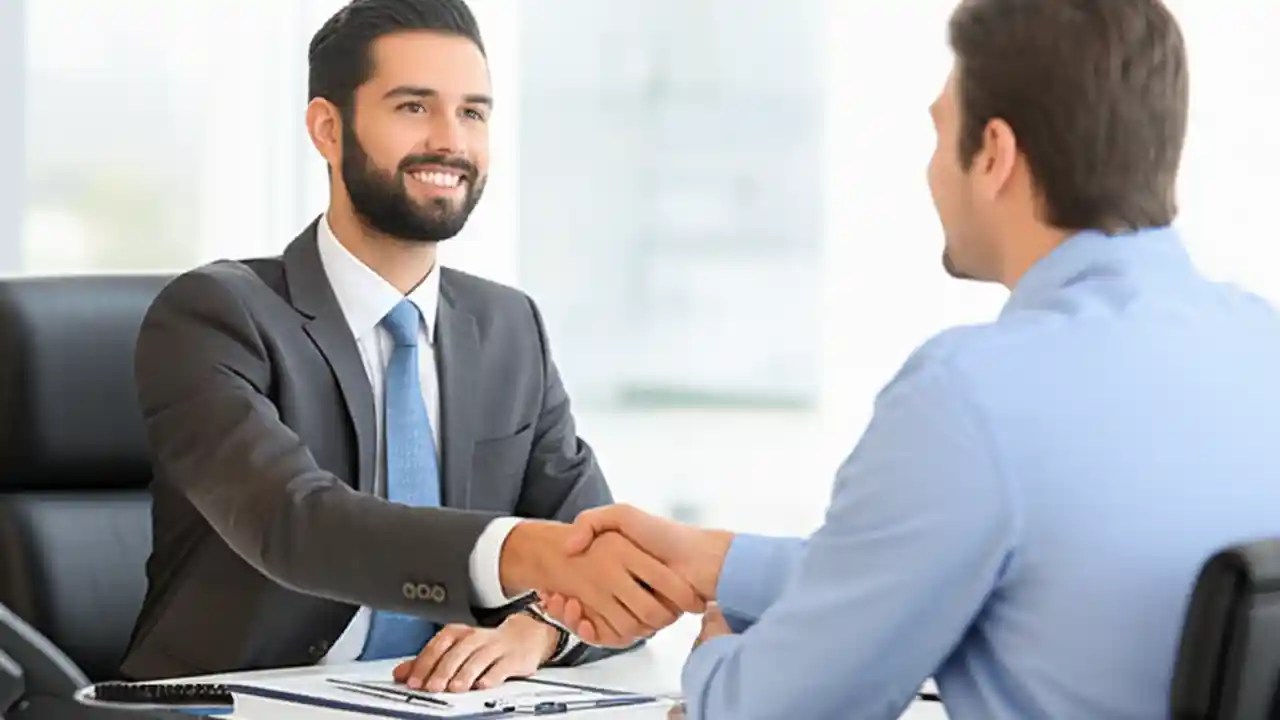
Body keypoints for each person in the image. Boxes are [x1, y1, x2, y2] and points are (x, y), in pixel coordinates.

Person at [546, 0, 1280, 717]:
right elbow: (922, 562)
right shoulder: (1258, 342)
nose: (932, 172)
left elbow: (778, 706)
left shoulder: (972, 396)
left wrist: (716, 651)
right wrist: (713, 559)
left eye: (940, 132)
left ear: (994, 154)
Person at [121, 0, 700, 690]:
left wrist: (535, 632)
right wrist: (523, 554)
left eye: (473, 113)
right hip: (240, 705)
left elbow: (593, 554)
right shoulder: (215, 317)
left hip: (447, 706)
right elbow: (296, 523)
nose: (450, 141)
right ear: (328, 129)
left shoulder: (508, 327)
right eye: (413, 108)